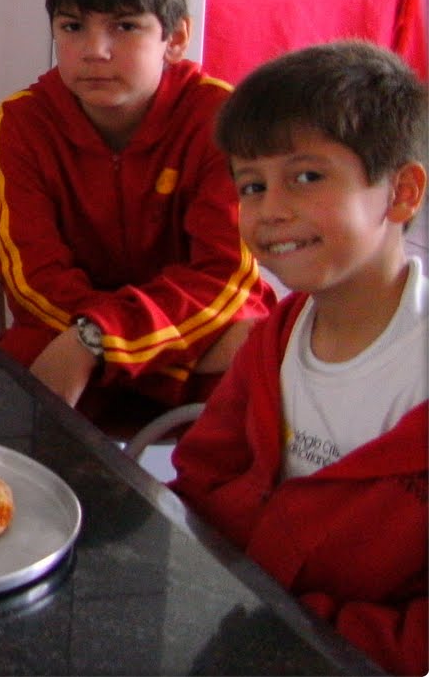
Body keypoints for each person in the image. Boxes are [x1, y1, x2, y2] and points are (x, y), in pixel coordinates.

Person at [170, 40, 426, 676]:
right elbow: (201, 486)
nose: (271, 209)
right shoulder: (276, 339)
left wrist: (293, 619)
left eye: (307, 176)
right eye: (251, 185)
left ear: (400, 192)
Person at [0, 0, 276, 424]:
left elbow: (223, 276)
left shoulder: (222, 118)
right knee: (13, 369)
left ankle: (216, 500)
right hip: (85, 330)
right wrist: (96, 337)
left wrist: (97, 340)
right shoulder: (23, 121)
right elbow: (31, 280)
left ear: (176, 37)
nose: (94, 51)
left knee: (253, 346)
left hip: (186, 325)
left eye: (124, 27)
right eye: (72, 27)